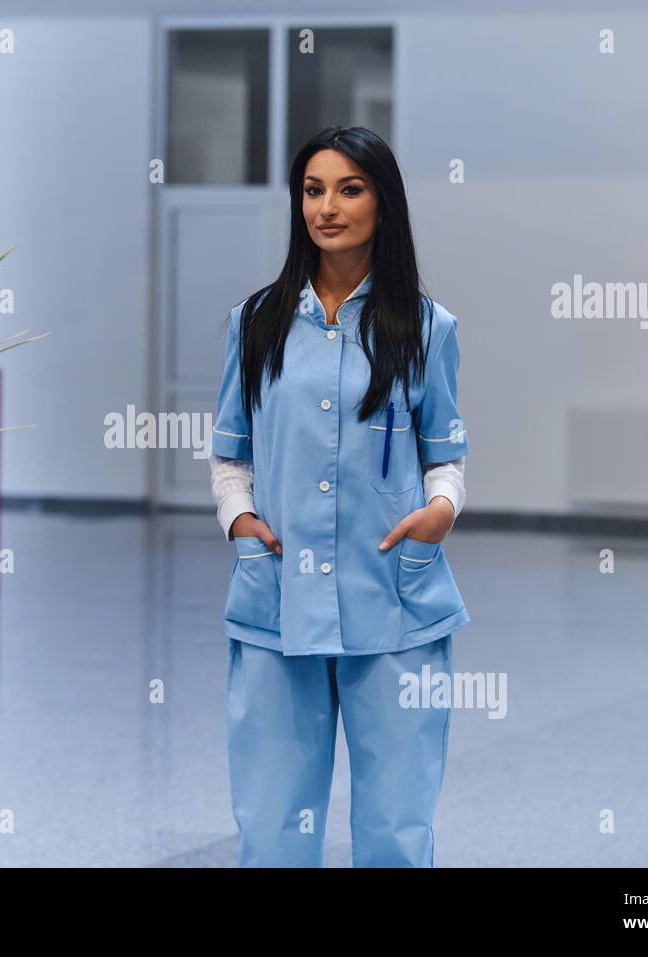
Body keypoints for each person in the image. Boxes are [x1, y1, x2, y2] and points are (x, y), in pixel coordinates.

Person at [209, 125, 470, 867]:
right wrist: (242, 521)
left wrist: (439, 514)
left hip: (393, 595)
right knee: (273, 824)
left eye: (349, 189)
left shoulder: (425, 327)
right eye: (313, 189)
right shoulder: (256, 322)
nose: (327, 206)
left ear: (383, 204)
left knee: (396, 822)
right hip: (277, 595)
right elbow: (230, 455)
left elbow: (446, 457)